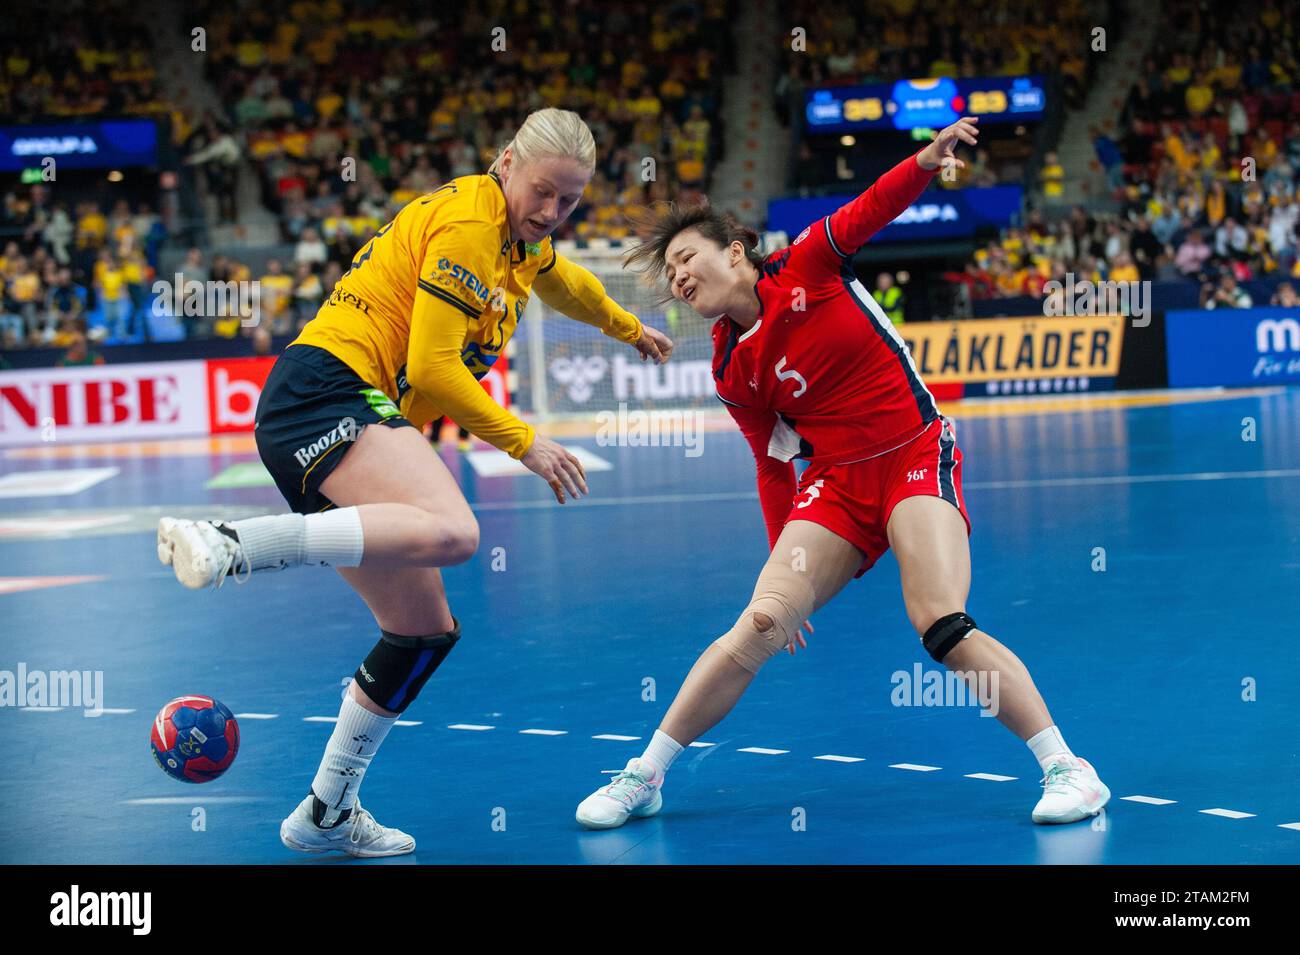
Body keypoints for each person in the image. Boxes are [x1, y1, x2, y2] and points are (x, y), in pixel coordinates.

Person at [157, 108, 675, 857]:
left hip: (327, 412)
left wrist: (627, 327)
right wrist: (525, 442)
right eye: (543, 192)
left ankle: (327, 810)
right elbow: (433, 369)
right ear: (504, 163)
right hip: (326, 391)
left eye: (569, 200)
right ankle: (232, 543)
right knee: (457, 530)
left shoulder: (518, 245)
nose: (553, 212)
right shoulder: (470, 223)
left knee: (421, 632)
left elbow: (569, 284)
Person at [575, 117, 1111, 831]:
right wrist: (779, 567)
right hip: (836, 484)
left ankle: (1068, 768)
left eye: (684, 257)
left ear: (734, 251)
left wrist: (926, 160)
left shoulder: (808, 265)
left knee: (940, 622)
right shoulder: (731, 368)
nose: (676, 277)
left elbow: (872, 208)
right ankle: (645, 773)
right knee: (759, 623)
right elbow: (772, 465)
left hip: (914, 453)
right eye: (668, 273)